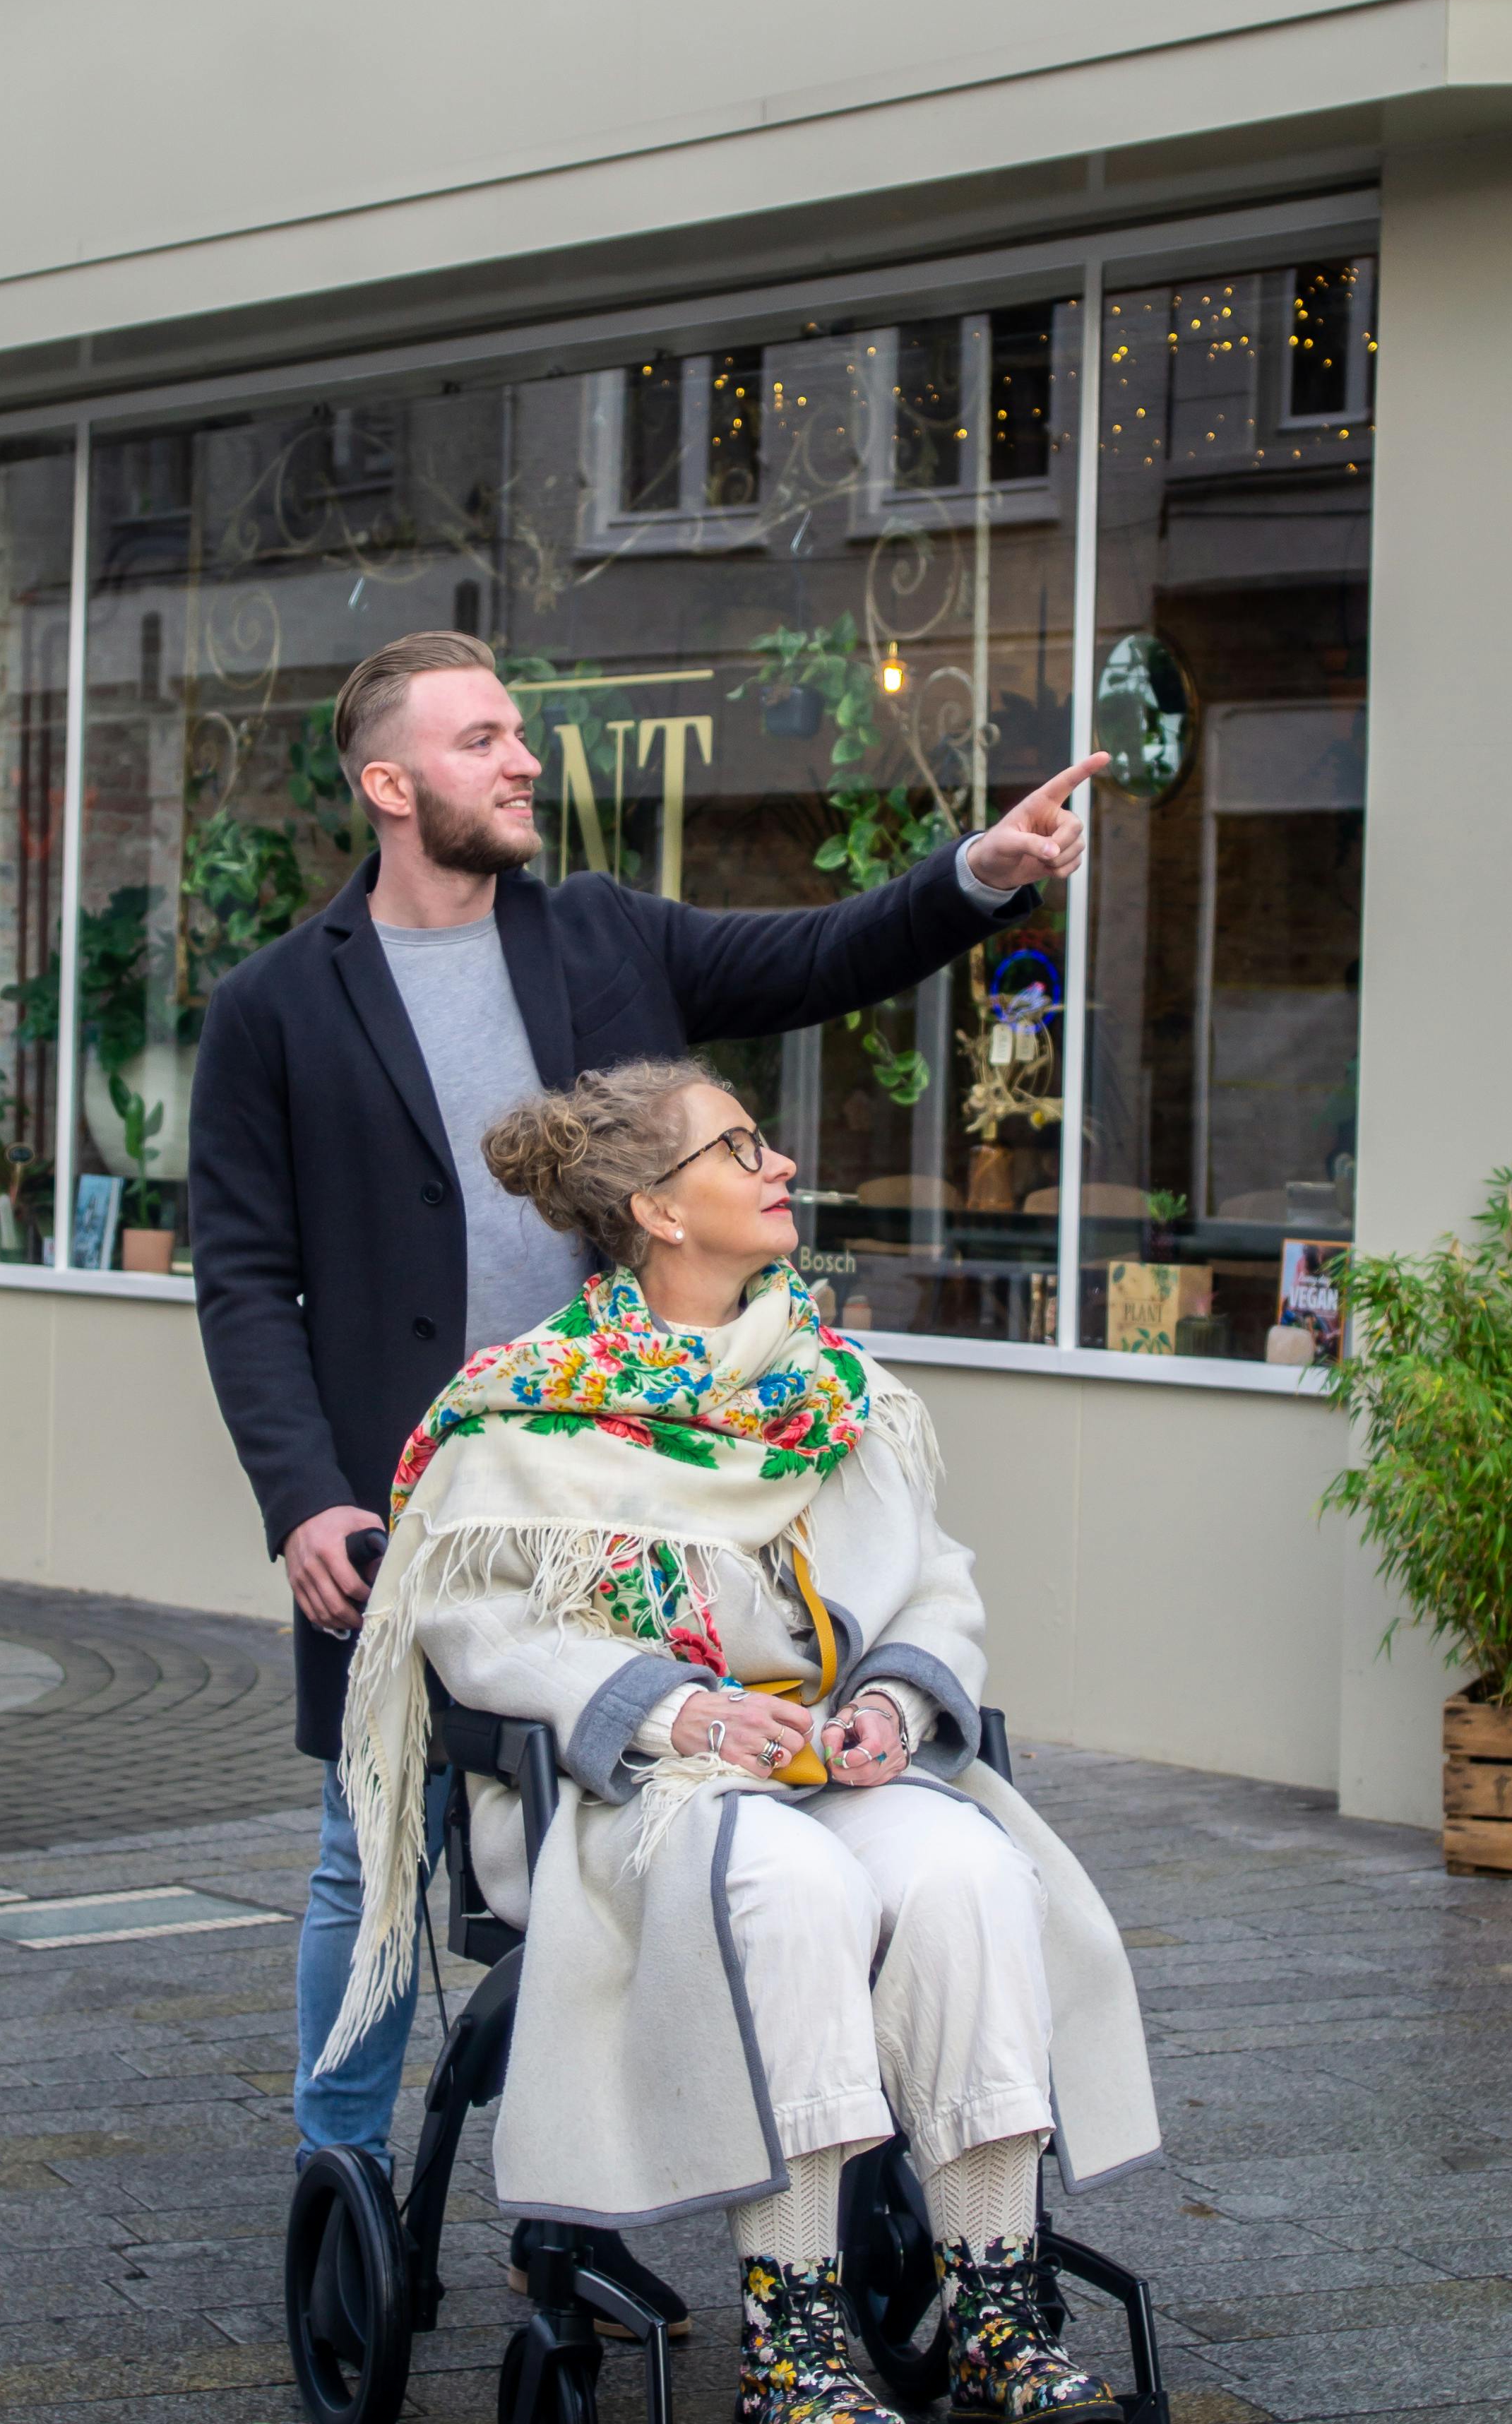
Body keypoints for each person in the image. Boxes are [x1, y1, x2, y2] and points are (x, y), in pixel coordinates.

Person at [186, 627, 1102, 2196]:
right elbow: (241, 1277)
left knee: (643, 1816)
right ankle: (333, 2164)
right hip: (421, 1507)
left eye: (518, 734)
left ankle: (646, 2128)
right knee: (379, 1845)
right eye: (481, 740)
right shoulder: (275, 1005)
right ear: (389, 783)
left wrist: (977, 875)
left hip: (647, 1487)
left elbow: (816, 958)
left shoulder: (599, 933)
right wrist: (302, 1497)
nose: (522, 759)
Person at [326, 1057, 1162, 2424]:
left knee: (965, 1867)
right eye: (738, 1148)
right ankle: (795, 2337)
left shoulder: (835, 1392)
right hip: (631, 1795)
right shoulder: (528, 1405)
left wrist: (889, 1707)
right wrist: (678, 1711)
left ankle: (997, 2312)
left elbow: (936, 1587)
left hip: (822, 1769)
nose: (779, 1167)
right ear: (657, 1210)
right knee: (790, 1885)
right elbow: (474, 1631)